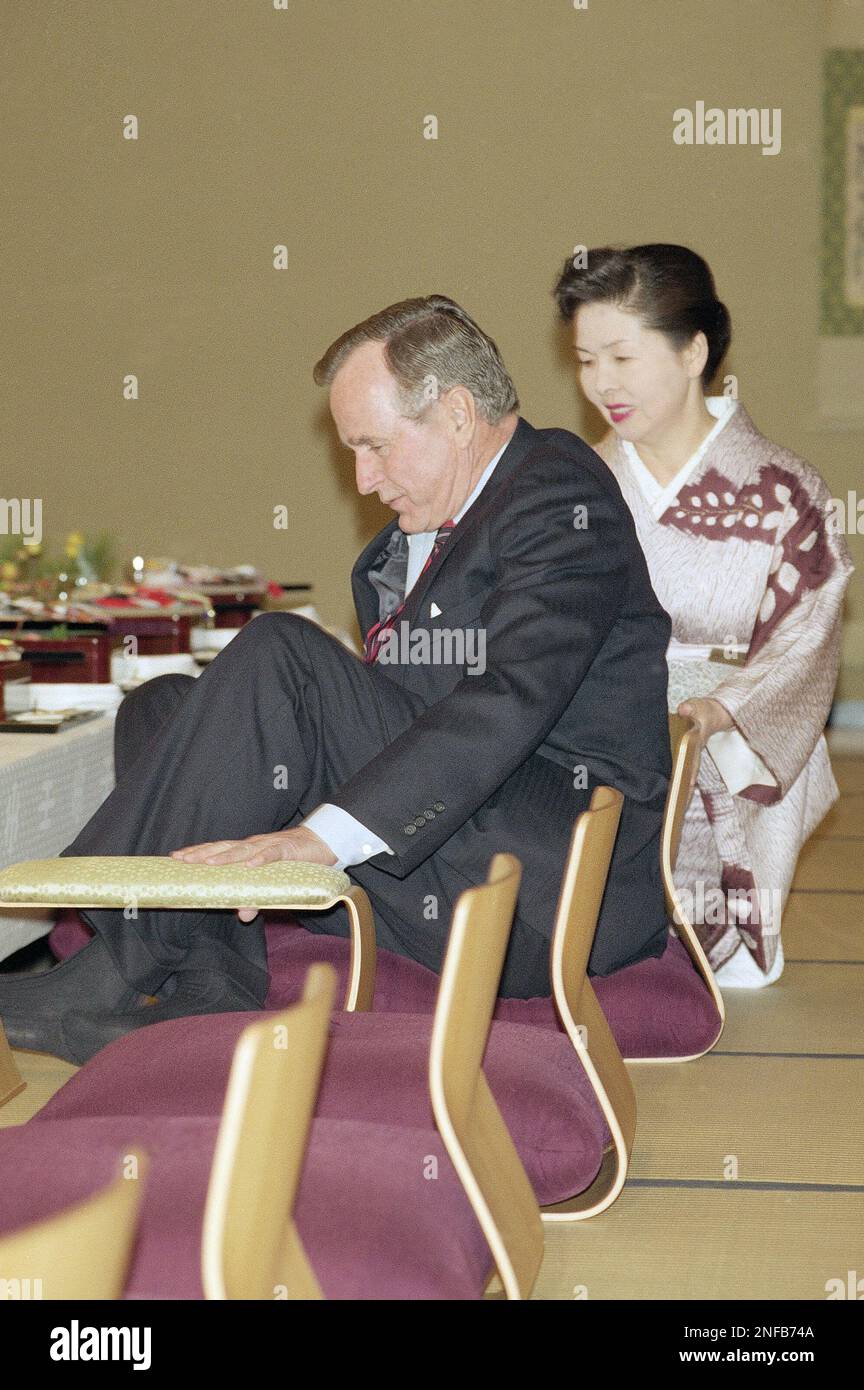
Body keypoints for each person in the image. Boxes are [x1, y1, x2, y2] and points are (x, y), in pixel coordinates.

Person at [0, 294, 673, 1063]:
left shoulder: (559, 493)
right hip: (447, 844)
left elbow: (507, 699)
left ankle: (104, 974)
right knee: (166, 703)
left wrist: (318, 840)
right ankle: (210, 988)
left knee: (280, 652)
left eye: (376, 446)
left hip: (540, 888)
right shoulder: (422, 532)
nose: (361, 479)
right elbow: (410, 706)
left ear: (457, 413)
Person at [553, 244, 854, 987]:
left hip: (726, 750)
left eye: (622, 357)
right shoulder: (575, 489)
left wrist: (722, 708)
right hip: (602, 753)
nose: (601, 384)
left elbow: (805, 634)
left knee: (715, 972)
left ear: (693, 351)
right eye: (587, 361)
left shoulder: (785, 491)